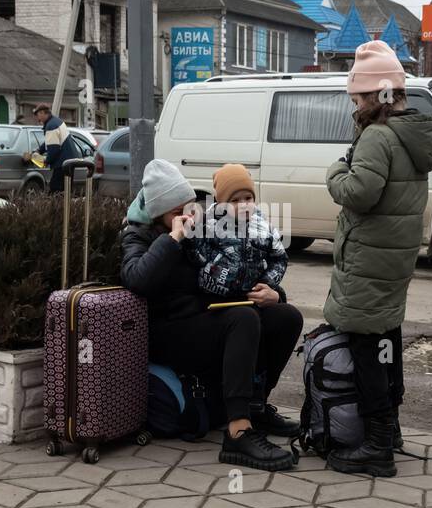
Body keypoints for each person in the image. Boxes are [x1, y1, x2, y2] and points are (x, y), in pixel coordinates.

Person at [121, 159, 303, 472]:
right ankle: (238, 431)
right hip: (170, 332)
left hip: (208, 319)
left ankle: (255, 405)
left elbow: (240, 271)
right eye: (177, 210)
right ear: (159, 213)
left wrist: (272, 294)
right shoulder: (139, 236)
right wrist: (174, 239)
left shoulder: (208, 227)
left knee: (286, 316)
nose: (187, 214)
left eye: (188, 206)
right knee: (243, 320)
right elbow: (138, 280)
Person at [323, 40, 432, 478]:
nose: (353, 105)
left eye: (357, 97)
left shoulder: (377, 135)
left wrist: (336, 171)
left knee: (366, 349)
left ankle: (376, 446)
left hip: (370, 257)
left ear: (376, 94)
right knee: (385, 339)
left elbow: (359, 193)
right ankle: (390, 429)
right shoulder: (412, 133)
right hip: (394, 257)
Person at [188, 163, 288, 300]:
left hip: (252, 295)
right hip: (216, 296)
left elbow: (279, 259)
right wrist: (192, 237)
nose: (243, 205)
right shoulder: (210, 225)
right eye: (235, 200)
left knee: (290, 315)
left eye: (248, 198)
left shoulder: (264, 227)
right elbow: (198, 256)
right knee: (247, 317)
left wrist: (266, 283)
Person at [24, 104, 72, 193]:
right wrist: (39, 151)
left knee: (56, 191)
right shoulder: (56, 121)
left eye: (38, 115)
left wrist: (44, 161)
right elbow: (49, 142)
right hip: (68, 162)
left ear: (43, 113)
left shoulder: (51, 126)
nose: (37, 118)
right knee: (65, 191)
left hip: (62, 164)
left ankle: (58, 207)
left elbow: (54, 150)